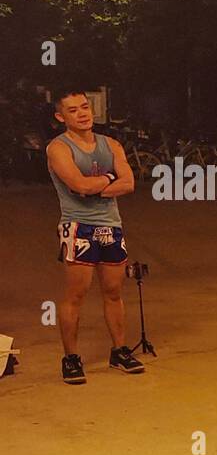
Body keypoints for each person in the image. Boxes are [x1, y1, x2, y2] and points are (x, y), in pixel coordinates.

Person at [45, 88, 143, 384]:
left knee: (114, 292)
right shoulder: (58, 148)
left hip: (110, 225)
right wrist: (107, 180)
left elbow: (128, 184)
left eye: (85, 107)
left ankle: (119, 351)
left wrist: (95, 184)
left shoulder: (110, 144)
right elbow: (77, 185)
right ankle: (71, 358)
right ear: (61, 117)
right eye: (73, 110)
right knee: (76, 294)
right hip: (78, 226)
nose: (83, 113)